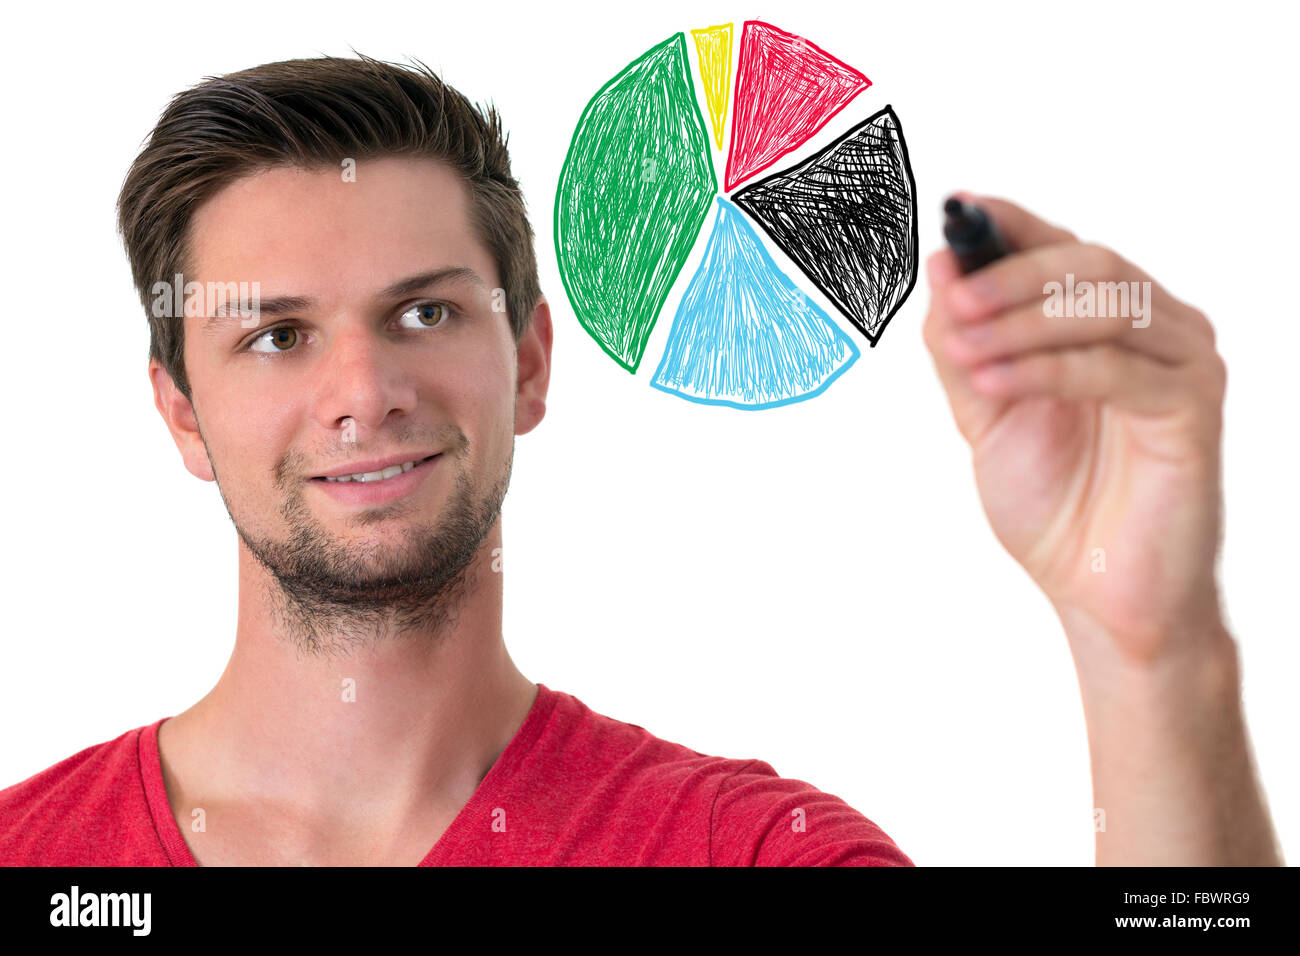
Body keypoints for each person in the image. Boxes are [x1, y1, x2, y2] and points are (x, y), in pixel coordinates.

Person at [0, 54, 1282, 866]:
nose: (365, 392)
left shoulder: (751, 856)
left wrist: (1150, 649)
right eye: (277, 335)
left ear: (533, 363)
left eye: (426, 311)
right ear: (179, 411)